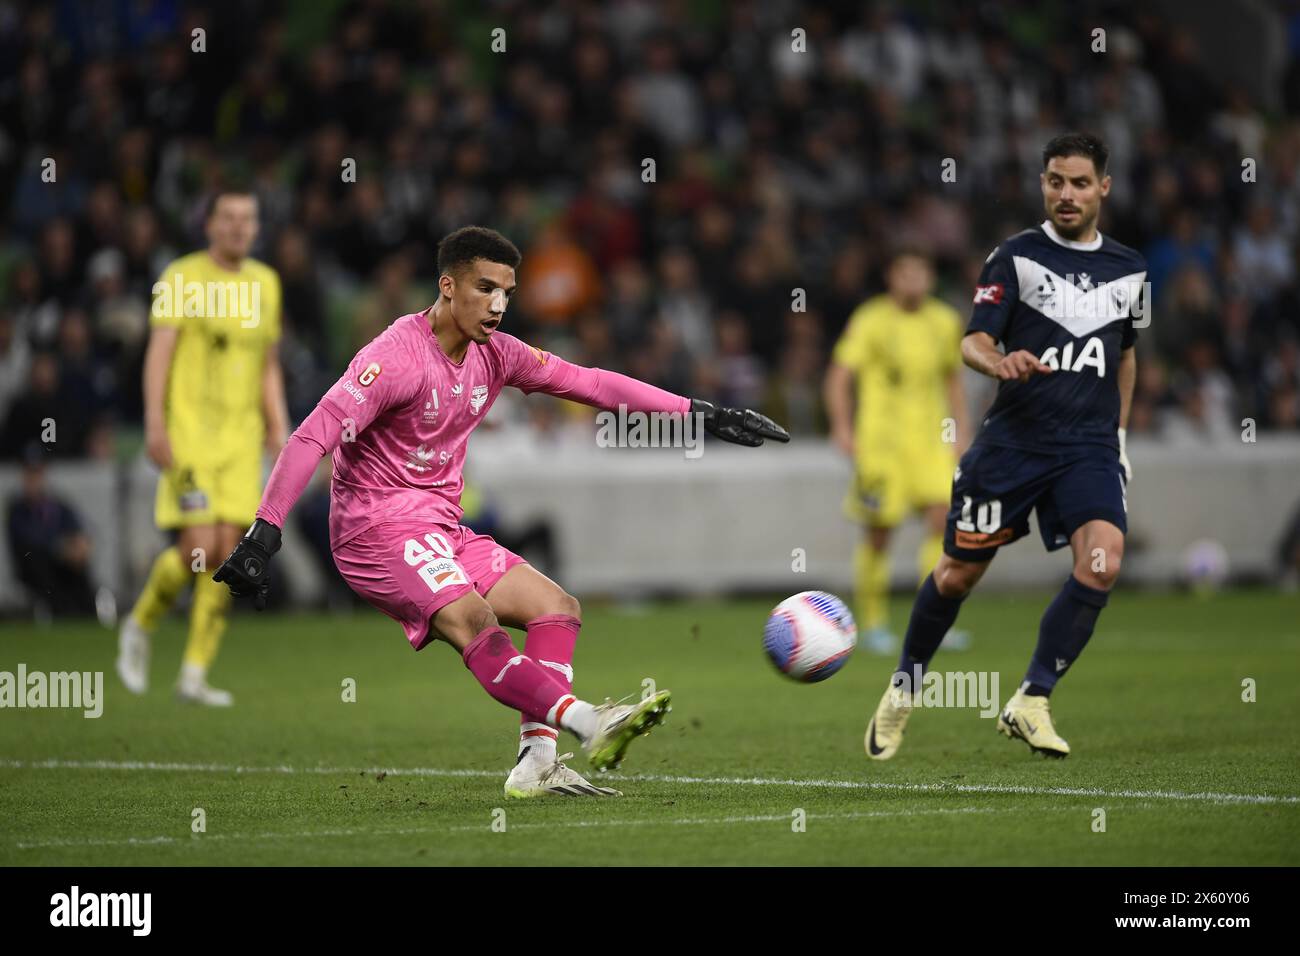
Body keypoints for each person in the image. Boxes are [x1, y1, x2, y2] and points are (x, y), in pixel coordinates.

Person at [215, 226, 789, 797]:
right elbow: (312, 436)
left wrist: (699, 412)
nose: (498, 305)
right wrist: (265, 530)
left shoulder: (499, 354)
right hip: (375, 529)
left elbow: (589, 383)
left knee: (555, 608)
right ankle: (591, 722)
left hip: (440, 526)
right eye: (485, 288)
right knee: (475, 625)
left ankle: (537, 761)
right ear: (447, 286)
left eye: (507, 292)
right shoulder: (393, 358)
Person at [866, 133, 1143, 760]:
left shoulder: (1132, 270)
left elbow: (1126, 357)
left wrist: (1119, 438)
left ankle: (1033, 698)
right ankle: (906, 684)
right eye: (1054, 181)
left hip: (1088, 448)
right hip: (1015, 446)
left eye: (1077, 182)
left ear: (1104, 186)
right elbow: (972, 342)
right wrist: (999, 362)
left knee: (1104, 559)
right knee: (958, 574)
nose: (1065, 194)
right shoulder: (1014, 257)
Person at [116, 188, 288, 706]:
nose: (238, 227)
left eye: (247, 218)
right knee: (196, 550)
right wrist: (154, 422)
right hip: (190, 433)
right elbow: (159, 353)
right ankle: (140, 623)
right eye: (228, 217)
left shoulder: (266, 283)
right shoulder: (181, 277)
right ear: (208, 224)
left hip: (239, 441)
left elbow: (268, 363)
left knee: (230, 554)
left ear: (256, 227)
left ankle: (193, 674)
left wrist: (278, 424)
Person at [824, 248, 970, 654]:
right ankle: (872, 624)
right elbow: (838, 376)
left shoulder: (944, 320)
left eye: (920, 272)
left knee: (943, 521)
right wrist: (842, 426)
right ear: (891, 276)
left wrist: (961, 431)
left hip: (930, 440)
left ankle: (933, 621)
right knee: (879, 532)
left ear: (929, 277)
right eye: (904, 272)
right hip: (882, 443)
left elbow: (952, 380)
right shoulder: (871, 319)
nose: (912, 280)